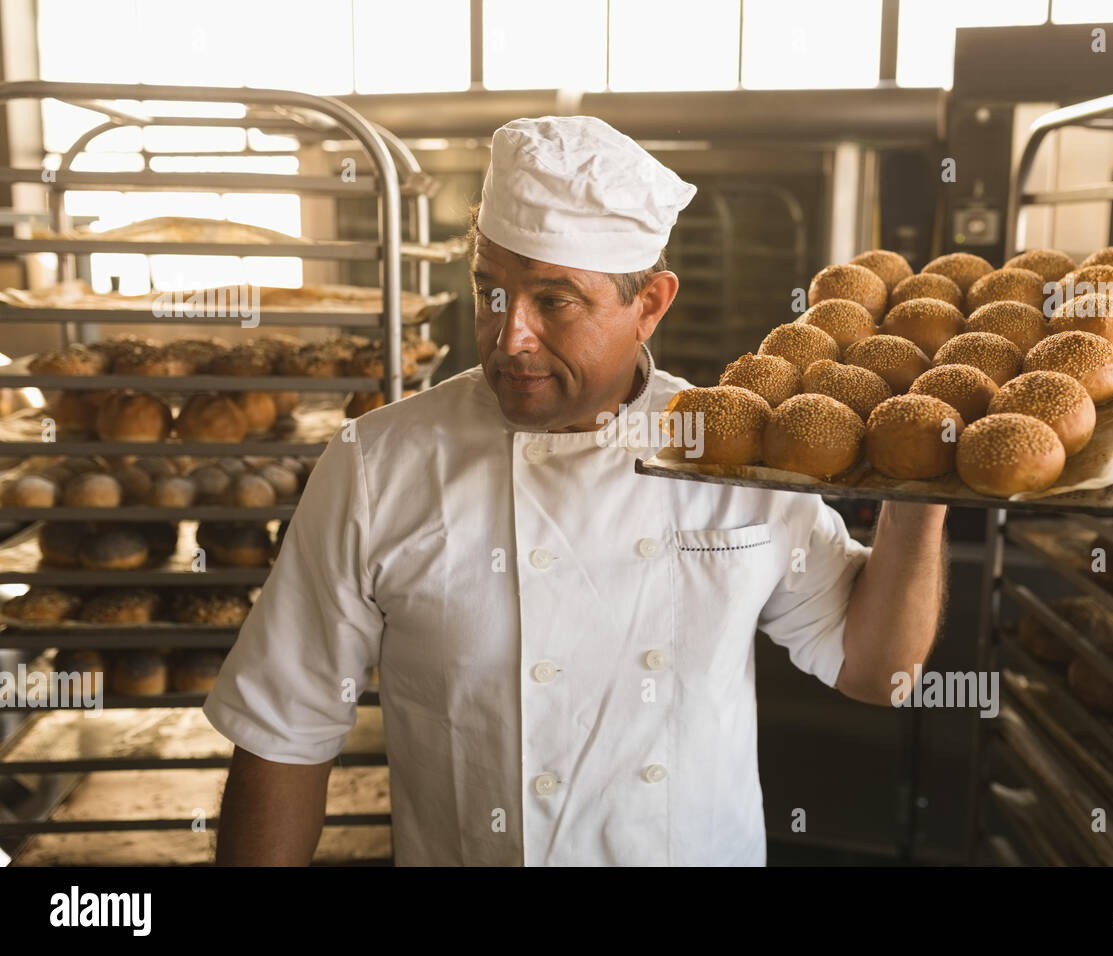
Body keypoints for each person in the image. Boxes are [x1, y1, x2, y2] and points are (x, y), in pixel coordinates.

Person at [205, 115, 948, 866]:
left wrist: (920, 493)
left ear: (650, 303)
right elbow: (283, 734)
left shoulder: (730, 447)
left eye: (553, 302)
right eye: (489, 291)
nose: (509, 336)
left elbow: (875, 671)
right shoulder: (380, 464)